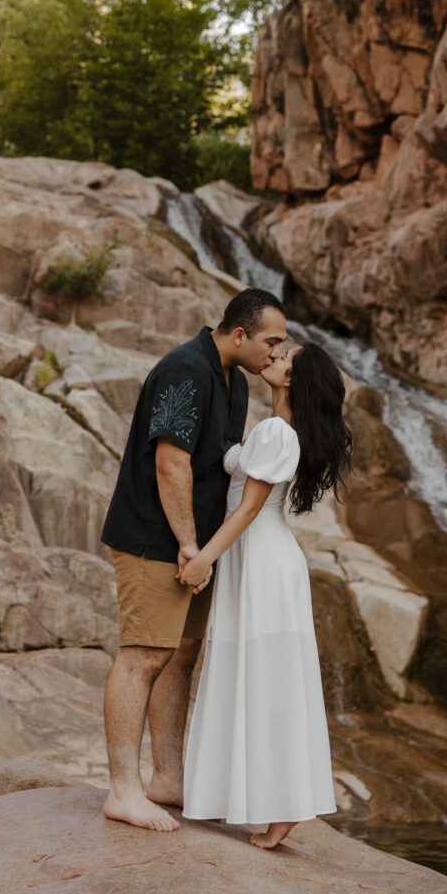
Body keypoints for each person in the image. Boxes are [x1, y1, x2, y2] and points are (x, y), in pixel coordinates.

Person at [99, 287, 287, 832]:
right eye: (272, 342)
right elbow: (170, 463)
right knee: (141, 656)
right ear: (239, 334)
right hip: (154, 541)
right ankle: (122, 790)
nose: (276, 353)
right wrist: (187, 544)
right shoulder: (186, 369)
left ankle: (166, 778)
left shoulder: (233, 383)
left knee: (180, 655)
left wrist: (202, 550)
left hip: (194, 547)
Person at [180, 340, 352, 848]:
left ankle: (286, 807)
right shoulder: (275, 427)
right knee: (264, 678)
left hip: (261, 560)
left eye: (284, 358)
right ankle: (268, 800)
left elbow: (250, 507)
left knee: (269, 681)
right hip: (260, 560)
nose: (273, 358)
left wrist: (203, 557)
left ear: (293, 379)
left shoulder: (278, 430)